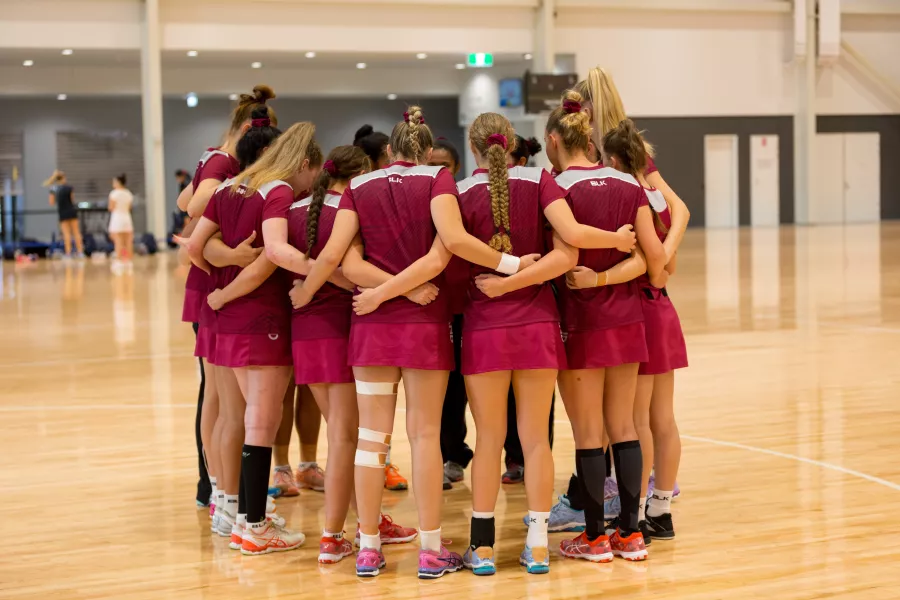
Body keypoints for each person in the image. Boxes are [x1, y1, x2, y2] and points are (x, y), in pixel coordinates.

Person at [292, 106, 543, 579]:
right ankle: (430, 550)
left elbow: (342, 261)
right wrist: (511, 267)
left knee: (371, 440)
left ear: (388, 150)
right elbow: (446, 247)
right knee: (424, 436)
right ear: (428, 150)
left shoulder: (361, 186)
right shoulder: (438, 179)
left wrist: (316, 291)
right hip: (424, 327)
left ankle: (367, 548)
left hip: (371, 327)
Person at [187, 120, 321, 555]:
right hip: (261, 314)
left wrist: (220, 287)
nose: (309, 187)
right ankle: (254, 525)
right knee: (259, 422)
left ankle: (242, 517)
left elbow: (194, 247)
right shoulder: (277, 191)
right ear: (303, 164)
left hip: (227, 318)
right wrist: (325, 272)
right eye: (312, 177)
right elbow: (271, 256)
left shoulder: (229, 188)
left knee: (242, 417)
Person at [546, 90, 667, 563]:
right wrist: (617, 272)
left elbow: (562, 255)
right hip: (627, 319)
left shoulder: (556, 190)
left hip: (580, 321)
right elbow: (654, 262)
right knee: (625, 427)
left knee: (588, 433)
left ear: (555, 140)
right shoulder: (629, 186)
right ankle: (631, 534)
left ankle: (594, 537)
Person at [571, 120, 688, 541]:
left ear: (614, 161)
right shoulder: (655, 198)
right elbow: (668, 259)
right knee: (662, 418)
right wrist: (664, 261)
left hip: (639, 310)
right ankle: (661, 510)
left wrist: (647, 265)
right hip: (663, 310)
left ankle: (634, 514)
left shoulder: (628, 199)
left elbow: (654, 268)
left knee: (636, 421)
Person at [178, 85, 277, 512]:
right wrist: (231, 253)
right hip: (219, 286)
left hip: (213, 283)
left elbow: (186, 201)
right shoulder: (226, 163)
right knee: (223, 403)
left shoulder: (211, 156)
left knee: (216, 399)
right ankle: (223, 494)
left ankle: (218, 491)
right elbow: (195, 205)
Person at [351, 123, 410, 493]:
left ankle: (365, 538)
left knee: (365, 431)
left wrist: (380, 293)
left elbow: (350, 266)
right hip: (372, 313)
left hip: (370, 314)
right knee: (366, 430)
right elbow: (346, 264)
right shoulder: (361, 193)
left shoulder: (368, 193)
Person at [501, 133, 548, 485]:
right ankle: (537, 536)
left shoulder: (542, 187)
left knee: (533, 423)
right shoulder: (473, 191)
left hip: (533, 313)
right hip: (528, 317)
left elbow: (566, 249)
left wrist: (507, 276)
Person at [427, 138, 471, 490]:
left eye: (444, 163)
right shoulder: (424, 200)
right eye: (433, 162)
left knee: (466, 388)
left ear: (455, 167)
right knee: (445, 390)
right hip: (435, 306)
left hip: (469, 305)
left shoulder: (464, 199)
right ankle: (448, 456)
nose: (438, 168)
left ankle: (458, 454)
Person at [44, 170, 84, 258]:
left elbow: (51, 202)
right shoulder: (69, 188)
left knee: (66, 234)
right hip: (71, 211)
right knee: (76, 232)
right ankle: (80, 252)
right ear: (64, 178)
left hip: (63, 213)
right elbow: (72, 200)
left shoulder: (53, 189)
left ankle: (68, 253)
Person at [107, 174, 134, 260]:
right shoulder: (128, 193)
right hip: (127, 217)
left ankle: (119, 259)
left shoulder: (114, 193)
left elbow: (111, 207)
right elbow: (130, 207)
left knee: (118, 241)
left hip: (117, 218)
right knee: (128, 241)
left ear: (118, 182)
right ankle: (129, 260)